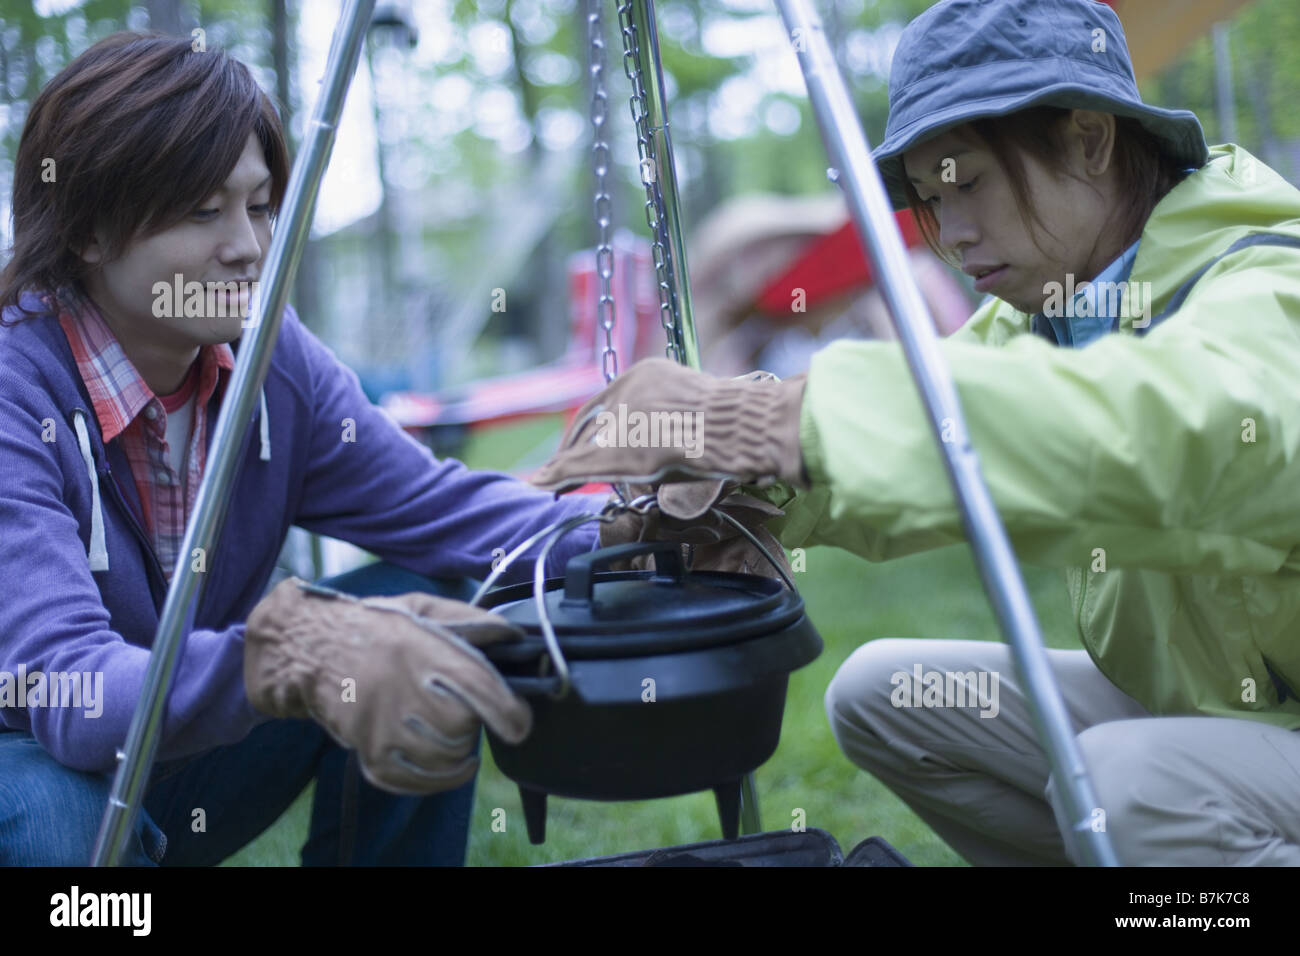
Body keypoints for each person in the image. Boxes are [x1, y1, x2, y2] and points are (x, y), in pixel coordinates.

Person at [531, 0, 1300, 865]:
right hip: (1213, 718)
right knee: (883, 693)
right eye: (932, 199)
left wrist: (769, 419)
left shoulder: (1265, 285)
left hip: (1241, 737)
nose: (953, 236)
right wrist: (743, 502)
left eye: (967, 181)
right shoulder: (1049, 312)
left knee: (1135, 781)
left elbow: (1153, 436)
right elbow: (943, 446)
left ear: (1089, 139)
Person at [0, 30, 620, 867]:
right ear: (90, 231)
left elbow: (438, 511)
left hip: (174, 763)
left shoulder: (272, 359)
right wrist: (288, 655)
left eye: (260, 205)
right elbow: (66, 688)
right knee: (53, 814)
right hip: (34, 769)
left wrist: (631, 531)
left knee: (420, 607)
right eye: (201, 210)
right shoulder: (16, 388)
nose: (249, 246)